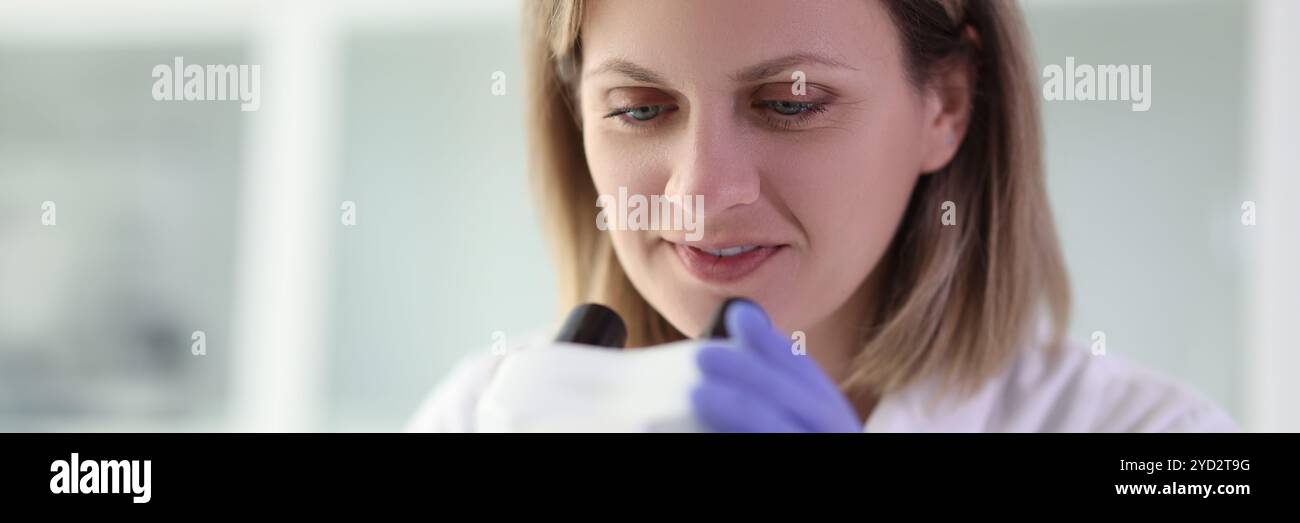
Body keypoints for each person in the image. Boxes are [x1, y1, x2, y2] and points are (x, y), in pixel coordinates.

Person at [407, 0, 1236, 432]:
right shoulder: (476, 414)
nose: (702, 193)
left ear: (946, 104)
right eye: (639, 108)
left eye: (790, 104)